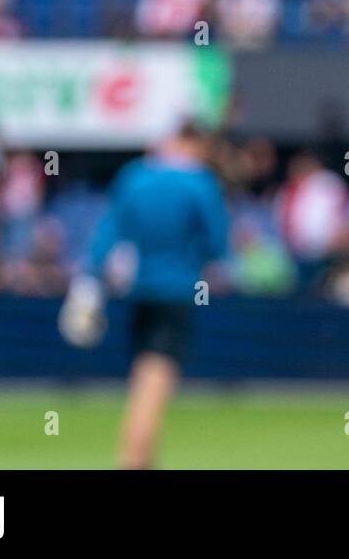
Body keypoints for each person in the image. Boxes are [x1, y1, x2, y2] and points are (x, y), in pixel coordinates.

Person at [85, 121, 229, 469]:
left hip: (139, 291)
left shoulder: (134, 176)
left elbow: (108, 233)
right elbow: (217, 243)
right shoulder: (199, 182)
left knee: (143, 374)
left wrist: (89, 280)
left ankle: (143, 459)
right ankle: (132, 459)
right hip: (177, 291)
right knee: (155, 379)